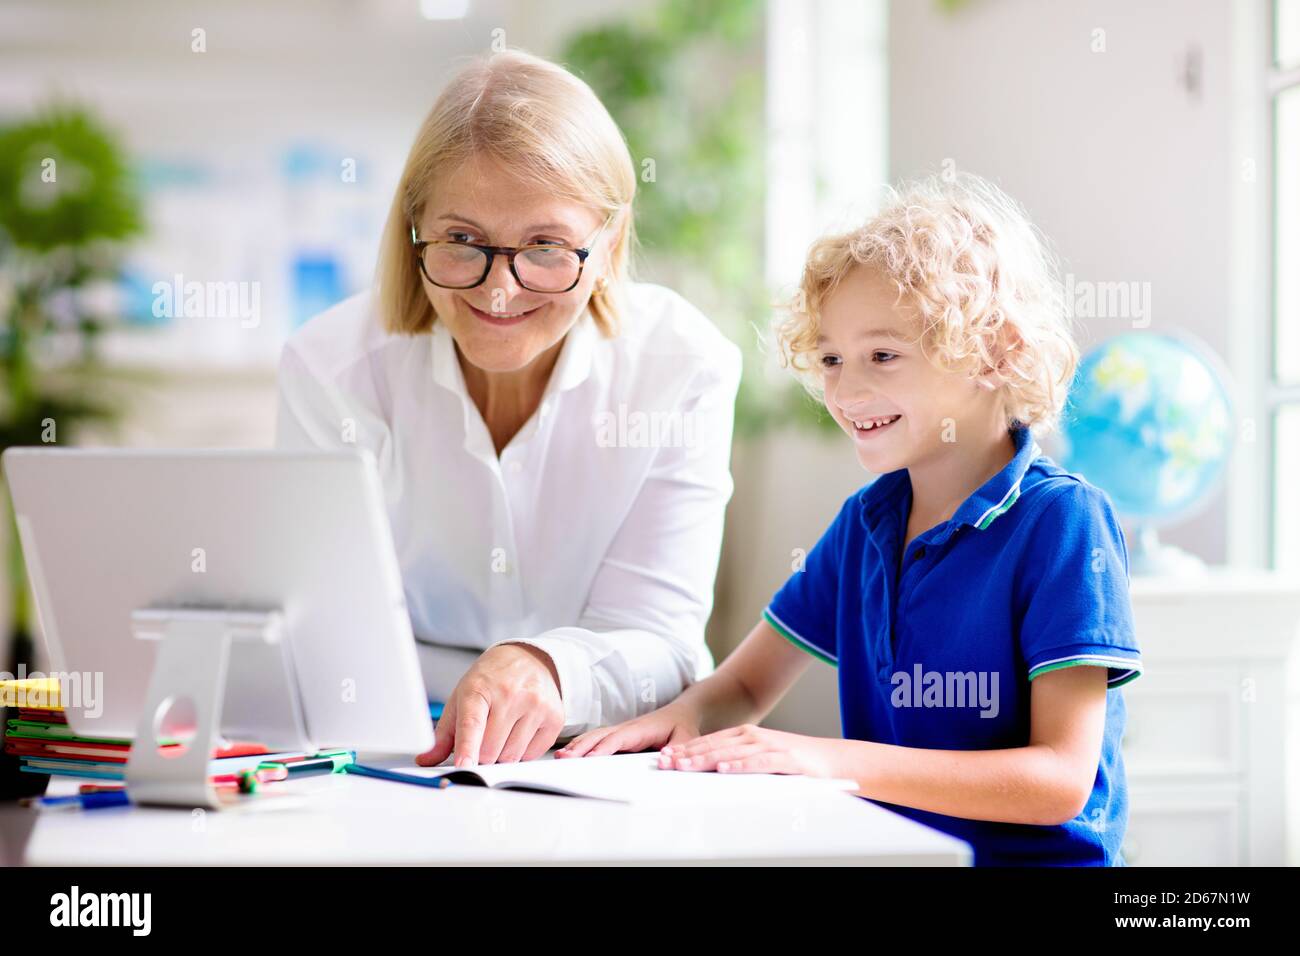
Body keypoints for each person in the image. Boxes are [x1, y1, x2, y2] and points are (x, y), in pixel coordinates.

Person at [559, 174, 1143, 866]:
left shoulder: (1063, 523)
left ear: (992, 352)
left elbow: (1058, 782)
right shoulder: (866, 523)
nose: (844, 388)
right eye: (832, 359)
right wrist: (665, 726)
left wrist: (826, 760)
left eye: (882, 355)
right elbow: (745, 686)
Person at [275, 49, 741, 768]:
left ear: (609, 242)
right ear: (414, 228)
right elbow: (326, 631)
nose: (499, 290)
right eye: (462, 242)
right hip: (394, 750)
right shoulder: (332, 367)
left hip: (612, 762)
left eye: (546, 246)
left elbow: (661, 639)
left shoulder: (681, 367)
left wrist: (545, 668)